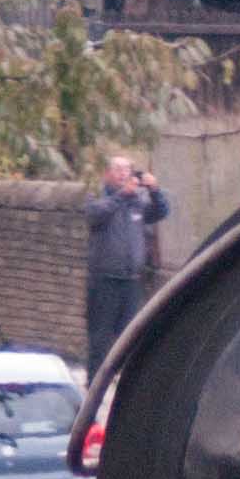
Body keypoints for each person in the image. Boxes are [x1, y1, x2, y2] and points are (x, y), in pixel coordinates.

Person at [85, 153, 168, 364]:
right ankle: (94, 384)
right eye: (118, 169)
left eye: (127, 170)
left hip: (131, 281)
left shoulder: (137, 202)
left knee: (130, 337)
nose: (124, 174)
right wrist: (122, 195)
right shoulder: (99, 196)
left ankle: (122, 385)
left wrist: (155, 190)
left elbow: (161, 212)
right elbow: (94, 215)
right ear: (107, 174)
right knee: (100, 337)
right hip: (104, 280)